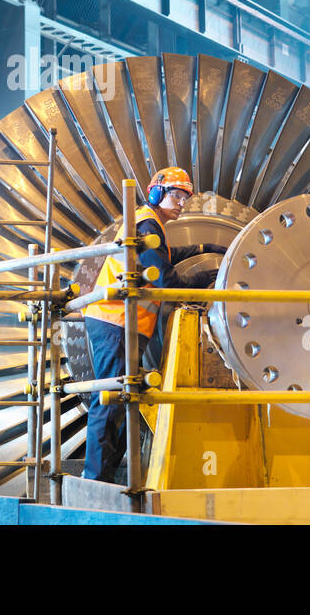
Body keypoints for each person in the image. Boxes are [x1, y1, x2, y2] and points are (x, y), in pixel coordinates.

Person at [82, 166, 226, 483]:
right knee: (110, 401)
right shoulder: (148, 224)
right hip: (116, 322)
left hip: (124, 325)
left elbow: (164, 255)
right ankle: (94, 481)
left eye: (184, 199)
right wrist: (204, 277)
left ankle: (104, 478)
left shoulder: (151, 223)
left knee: (120, 401)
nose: (181, 204)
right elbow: (165, 277)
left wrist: (207, 249)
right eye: (175, 195)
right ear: (157, 192)